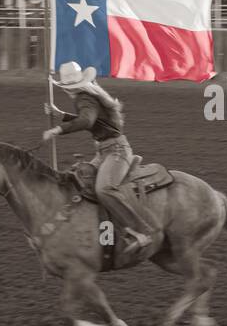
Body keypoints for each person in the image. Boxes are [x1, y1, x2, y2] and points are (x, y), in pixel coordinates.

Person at [41, 61, 156, 259]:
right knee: (80, 182)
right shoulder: (90, 96)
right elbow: (94, 119)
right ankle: (104, 235)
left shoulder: (84, 98)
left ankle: (142, 231)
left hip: (115, 151)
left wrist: (57, 129)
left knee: (104, 189)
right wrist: (61, 115)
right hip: (107, 151)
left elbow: (87, 121)